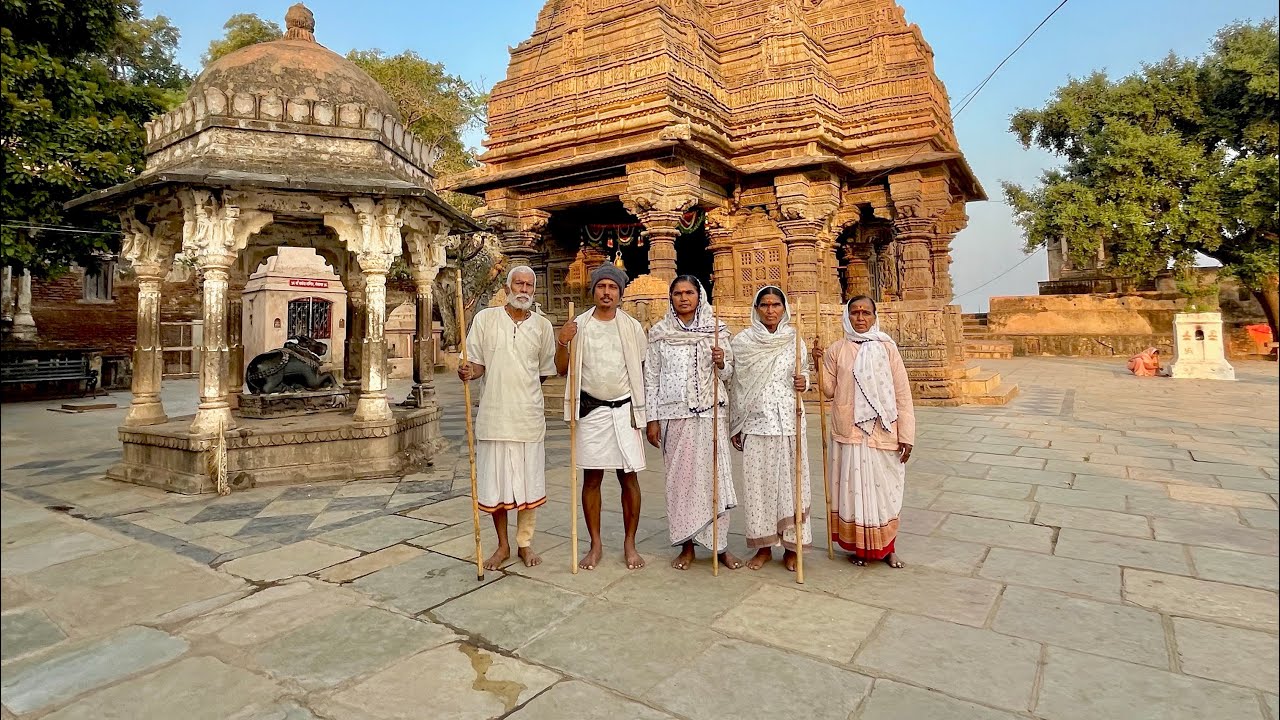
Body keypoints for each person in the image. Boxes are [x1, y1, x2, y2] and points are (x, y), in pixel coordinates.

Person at [457, 266, 556, 570]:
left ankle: (525, 544)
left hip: (527, 417)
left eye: (529, 284)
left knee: (528, 484)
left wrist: (522, 393)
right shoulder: (485, 320)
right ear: (508, 286)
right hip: (494, 416)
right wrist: (467, 372)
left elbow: (542, 373)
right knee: (495, 485)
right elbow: (476, 366)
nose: (524, 289)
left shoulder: (542, 327)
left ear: (533, 290)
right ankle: (502, 545)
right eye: (519, 283)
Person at [555, 264, 650, 570]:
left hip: (624, 410)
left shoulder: (632, 327)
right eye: (601, 287)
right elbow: (560, 369)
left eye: (613, 288)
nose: (607, 292)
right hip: (591, 410)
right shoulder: (579, 325)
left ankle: (630, 543)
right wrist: (562, 341)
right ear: (593, 290)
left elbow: (642, 369)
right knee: (592, 477)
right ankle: (595, 544)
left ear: (620, 294)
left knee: (629, 477)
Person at [645, 275, 742, 571]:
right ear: (670, 298)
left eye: (690, 292)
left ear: (700, 296)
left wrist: (721, 361)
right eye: (678, 293)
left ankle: (719, 546)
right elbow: (651, 376)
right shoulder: (660, 333)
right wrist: (652, 419)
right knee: (681, 483)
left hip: (711, 414)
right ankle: (686, 545)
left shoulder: (716, 331)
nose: (684, 298)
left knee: (715, 481)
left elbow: (729, 377)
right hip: (675, 415)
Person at [814, 295, 915, 569]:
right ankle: (861, 548)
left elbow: (902, 392)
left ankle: (888, 548)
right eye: (855, 312)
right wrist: (817, 363)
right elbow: (829, 390)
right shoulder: (837, 349)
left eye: (866, 313)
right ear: (847, 317)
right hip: (850, 431)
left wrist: (907, 434)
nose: (860, 318)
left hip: (884, 431)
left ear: (874, 316)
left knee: (886, 492)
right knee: (853, 492)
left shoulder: (887, 348)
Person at [729, 286, 811, 572]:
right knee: (758, 488)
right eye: (764, 305)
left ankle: (791, 547)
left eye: (776, 305)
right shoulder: (742, 342)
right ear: (756, 308)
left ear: (784, 308)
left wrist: (805, 383)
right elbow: (733, 381)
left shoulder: (794, 340)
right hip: (756, 422)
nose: (770, 310)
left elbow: (805, 373)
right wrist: (736, 424)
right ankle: (763, 547)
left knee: (791, 486)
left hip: (789, 420)